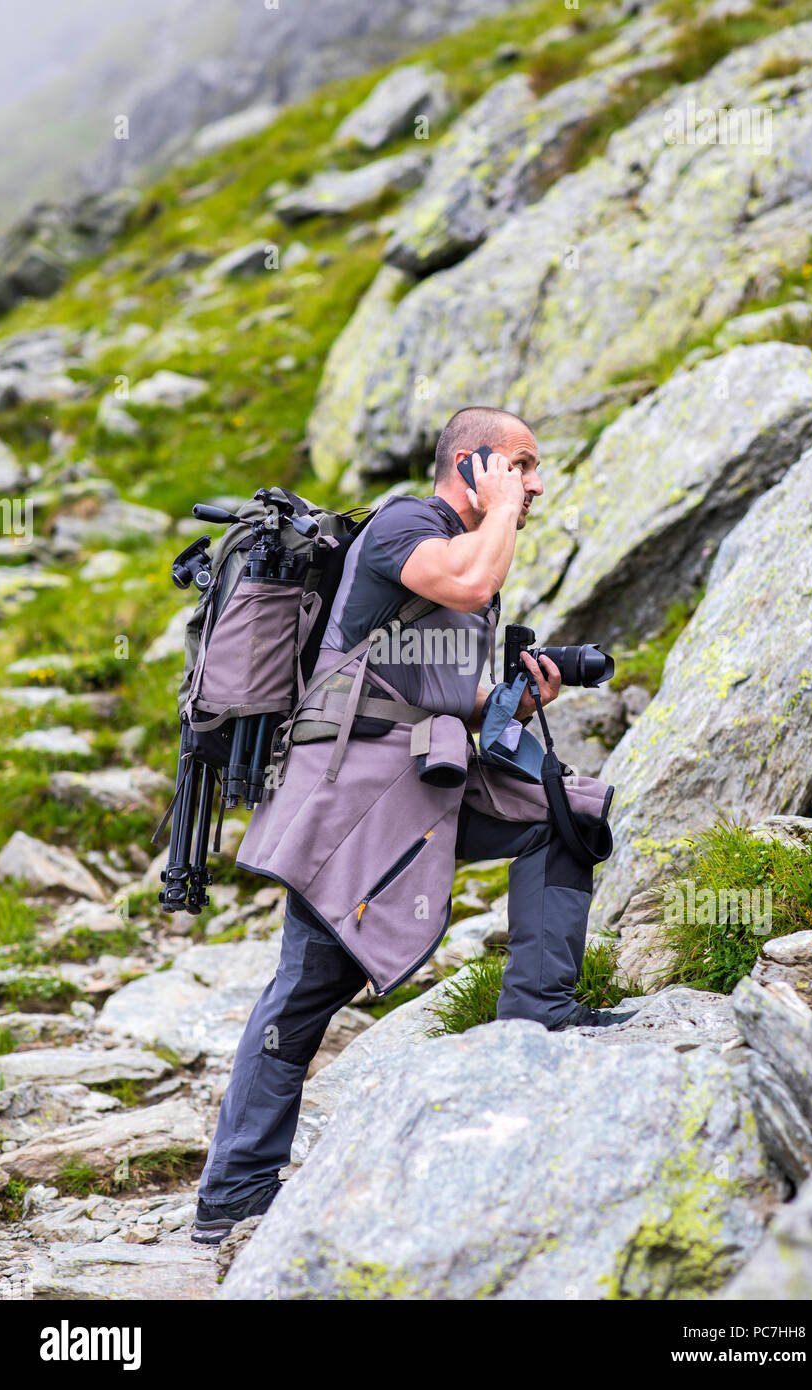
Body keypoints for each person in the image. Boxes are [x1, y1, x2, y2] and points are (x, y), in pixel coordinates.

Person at [192, 405, 630, 1245]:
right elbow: (463, 583)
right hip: (350, 790)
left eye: (535, 473)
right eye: (520, 465)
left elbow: (426, 682)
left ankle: (541, 1015)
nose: (535, 484)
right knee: (312, 982)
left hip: (425, 772)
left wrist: (506, 696)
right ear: (470, 465)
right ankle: (234, 1193)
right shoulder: (404, 524)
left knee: (560, 815)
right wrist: (499, 510)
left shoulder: (460, 553)